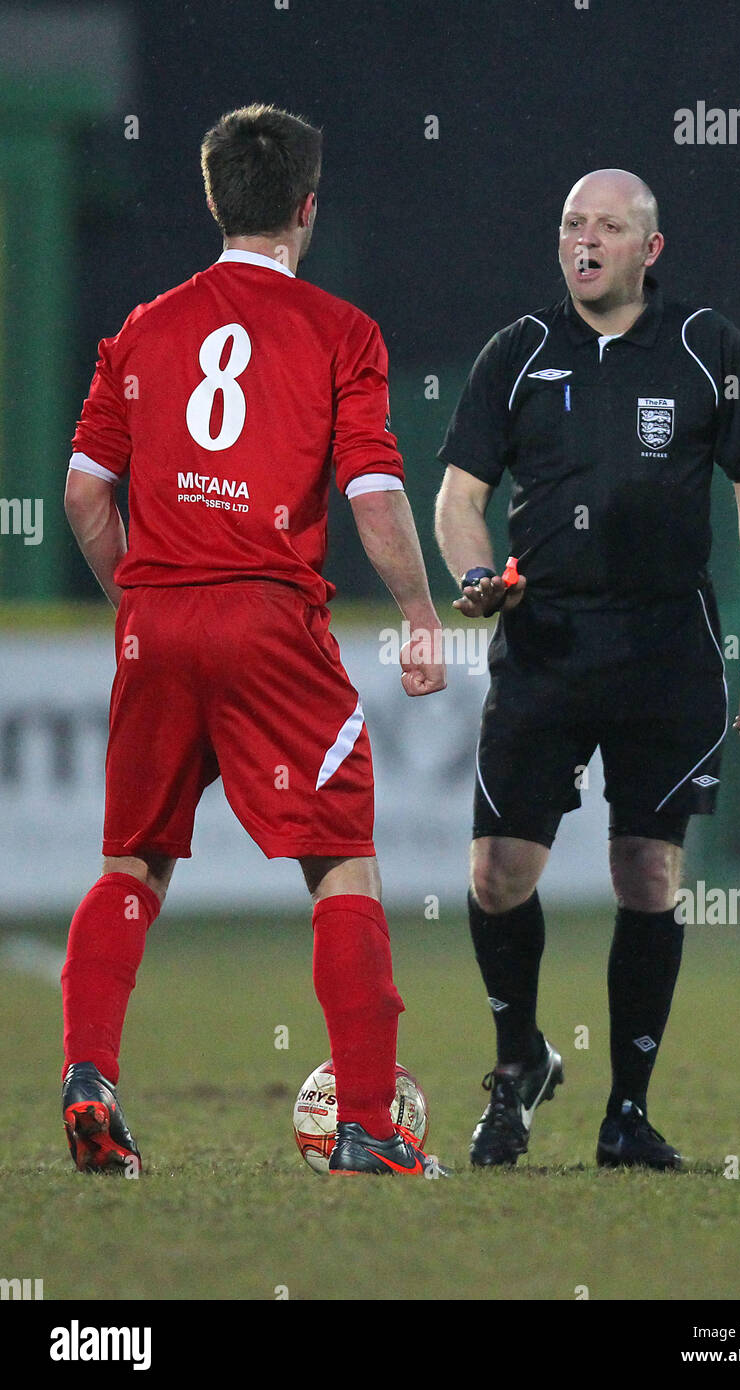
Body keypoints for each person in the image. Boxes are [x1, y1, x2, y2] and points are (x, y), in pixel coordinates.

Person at [61, 103, 447, 1178]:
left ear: (212, 197)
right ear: (306, 208)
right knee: (342, 869)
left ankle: (90, 1078)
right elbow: (372, 493)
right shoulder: (341, 333)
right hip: (270, 621)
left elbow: (85, 494)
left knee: (131, 860)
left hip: (159, 618)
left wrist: (137, 602)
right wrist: (420, 617)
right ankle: (369, 1126)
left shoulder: (142, 328)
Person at [435, 168, 740, 1170]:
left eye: (604, 227)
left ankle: (625, 1114)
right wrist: (472, 570)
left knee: (645, 870)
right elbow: (458, 493)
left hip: (662, 647)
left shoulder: (704, 347)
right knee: (496, 874)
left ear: (649, 248)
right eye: (567, 226)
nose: (581, 242)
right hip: (543, 644)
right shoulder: (516, 352)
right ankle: (519, 1063)